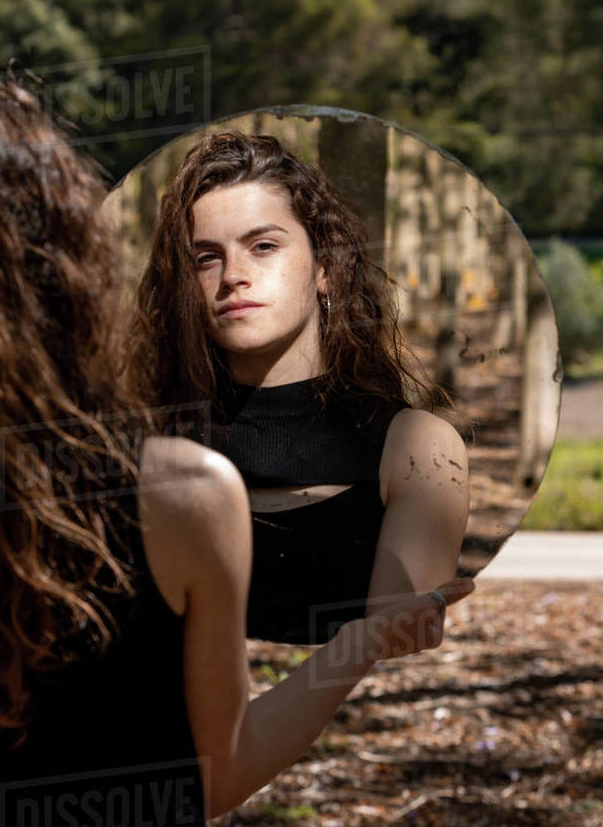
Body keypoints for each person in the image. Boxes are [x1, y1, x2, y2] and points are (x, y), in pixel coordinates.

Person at [0, 82, 473, 826]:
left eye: (262, 245)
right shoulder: (182, 491)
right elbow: (216, 778)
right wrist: (357, 646)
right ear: (59, 265)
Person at [129, 129, 471, 645]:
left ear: (325, 270)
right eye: (205, 258)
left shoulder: (415, 449)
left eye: (263, 246)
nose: (233, 276)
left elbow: (395, 662)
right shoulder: (147, 441)